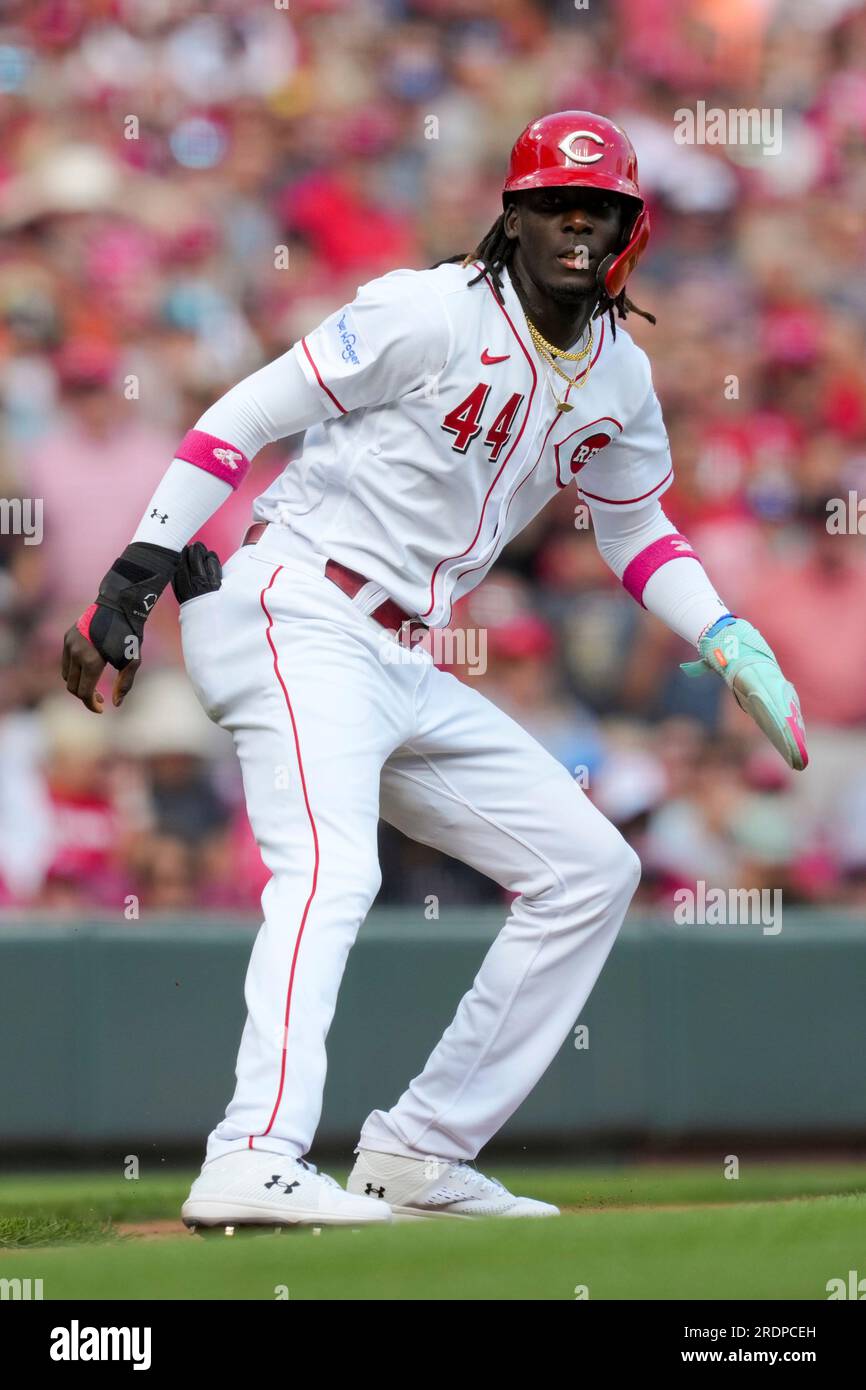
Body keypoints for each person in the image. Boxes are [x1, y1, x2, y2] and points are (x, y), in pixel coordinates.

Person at [61, 112, 808, 1228]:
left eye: (594, 207)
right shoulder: (425, 310)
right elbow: (247, 412)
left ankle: (417, 1149)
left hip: (401, 655)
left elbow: (633, 530)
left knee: (588, 871)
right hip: (299, 602)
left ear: (626, 230)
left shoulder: (619, 375)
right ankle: (251, 1151)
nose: (572, 224)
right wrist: (137, 565)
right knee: (332, 870)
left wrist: (724, 632)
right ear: (508, 216)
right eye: (552, 203)